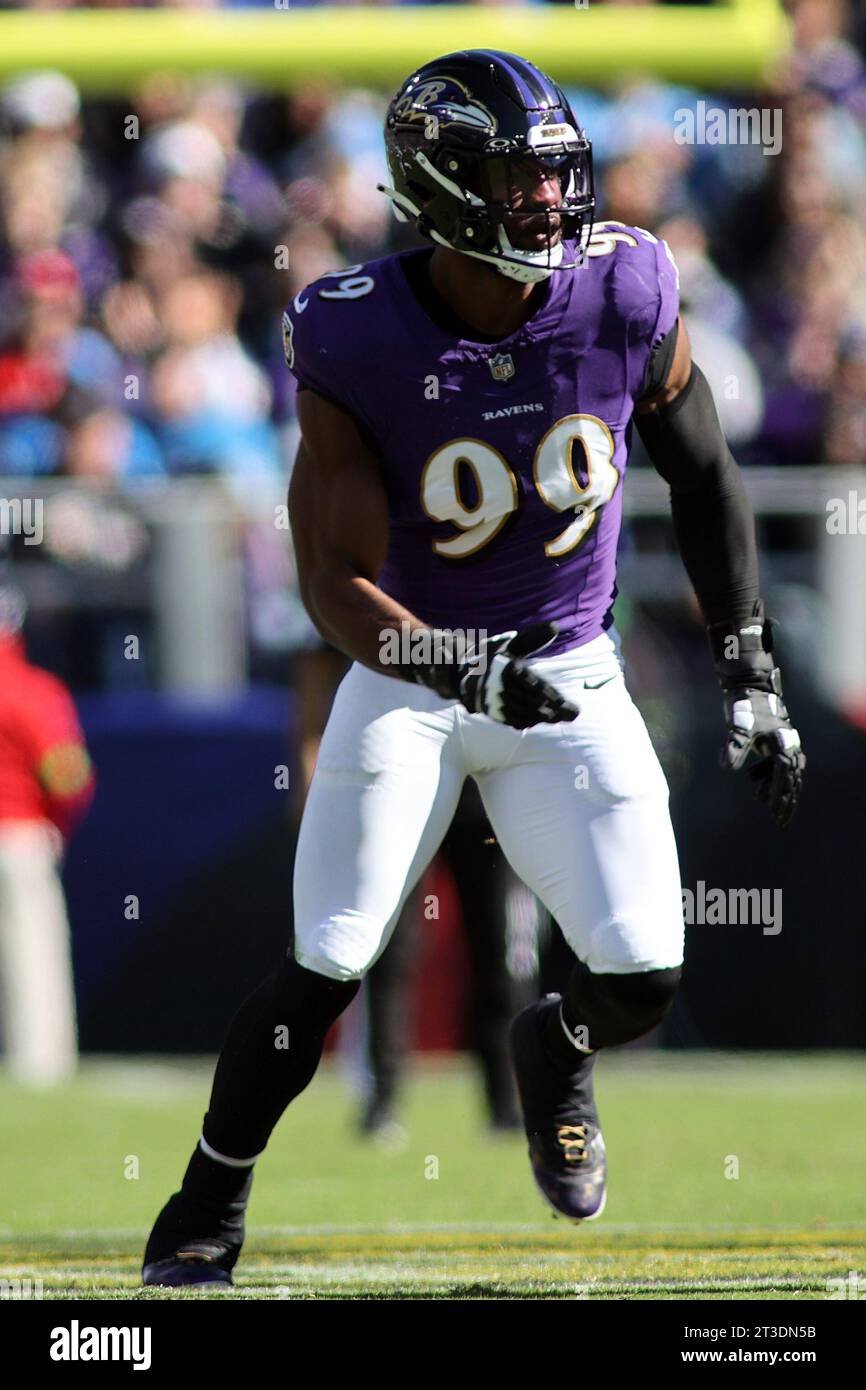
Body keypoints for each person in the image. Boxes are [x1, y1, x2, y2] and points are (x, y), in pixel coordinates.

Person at [142, 49, 805, 1286]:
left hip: (568, 675)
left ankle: (548, 1047)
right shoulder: (355, 331)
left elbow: (705, 473)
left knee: (645, 974)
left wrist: (748, 672)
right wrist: (455, 663)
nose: (549, 205)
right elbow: (331, 584)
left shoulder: (626, 289)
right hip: (409, 683)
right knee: (326, 962)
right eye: (517, 180)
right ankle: (205, 1198)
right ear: (439, 184)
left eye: (558, 176)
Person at [0, 577, 95, 1084]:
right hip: (20, 837)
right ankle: (40, 1067)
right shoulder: (34, 690)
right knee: (33, 956)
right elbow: (67, 772)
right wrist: (59, 823)